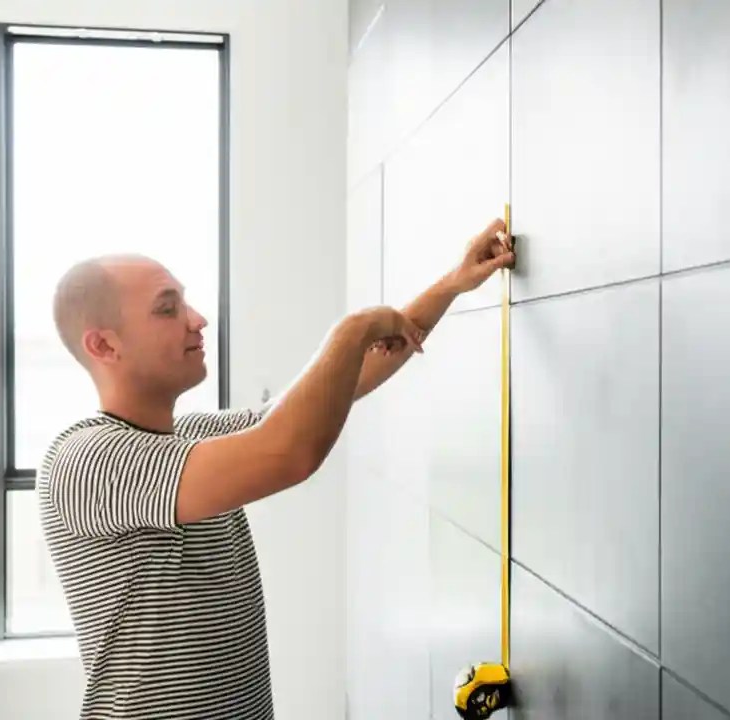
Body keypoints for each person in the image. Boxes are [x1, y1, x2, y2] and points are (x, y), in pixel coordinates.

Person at [37, 218, 515, 720]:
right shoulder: (86, 458)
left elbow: (337, 387)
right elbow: (290, 451)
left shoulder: (194, 437)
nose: (196, 319)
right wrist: (352, 329)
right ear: (104, 346)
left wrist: (453, 283)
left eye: (186, 301)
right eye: (167, 309)